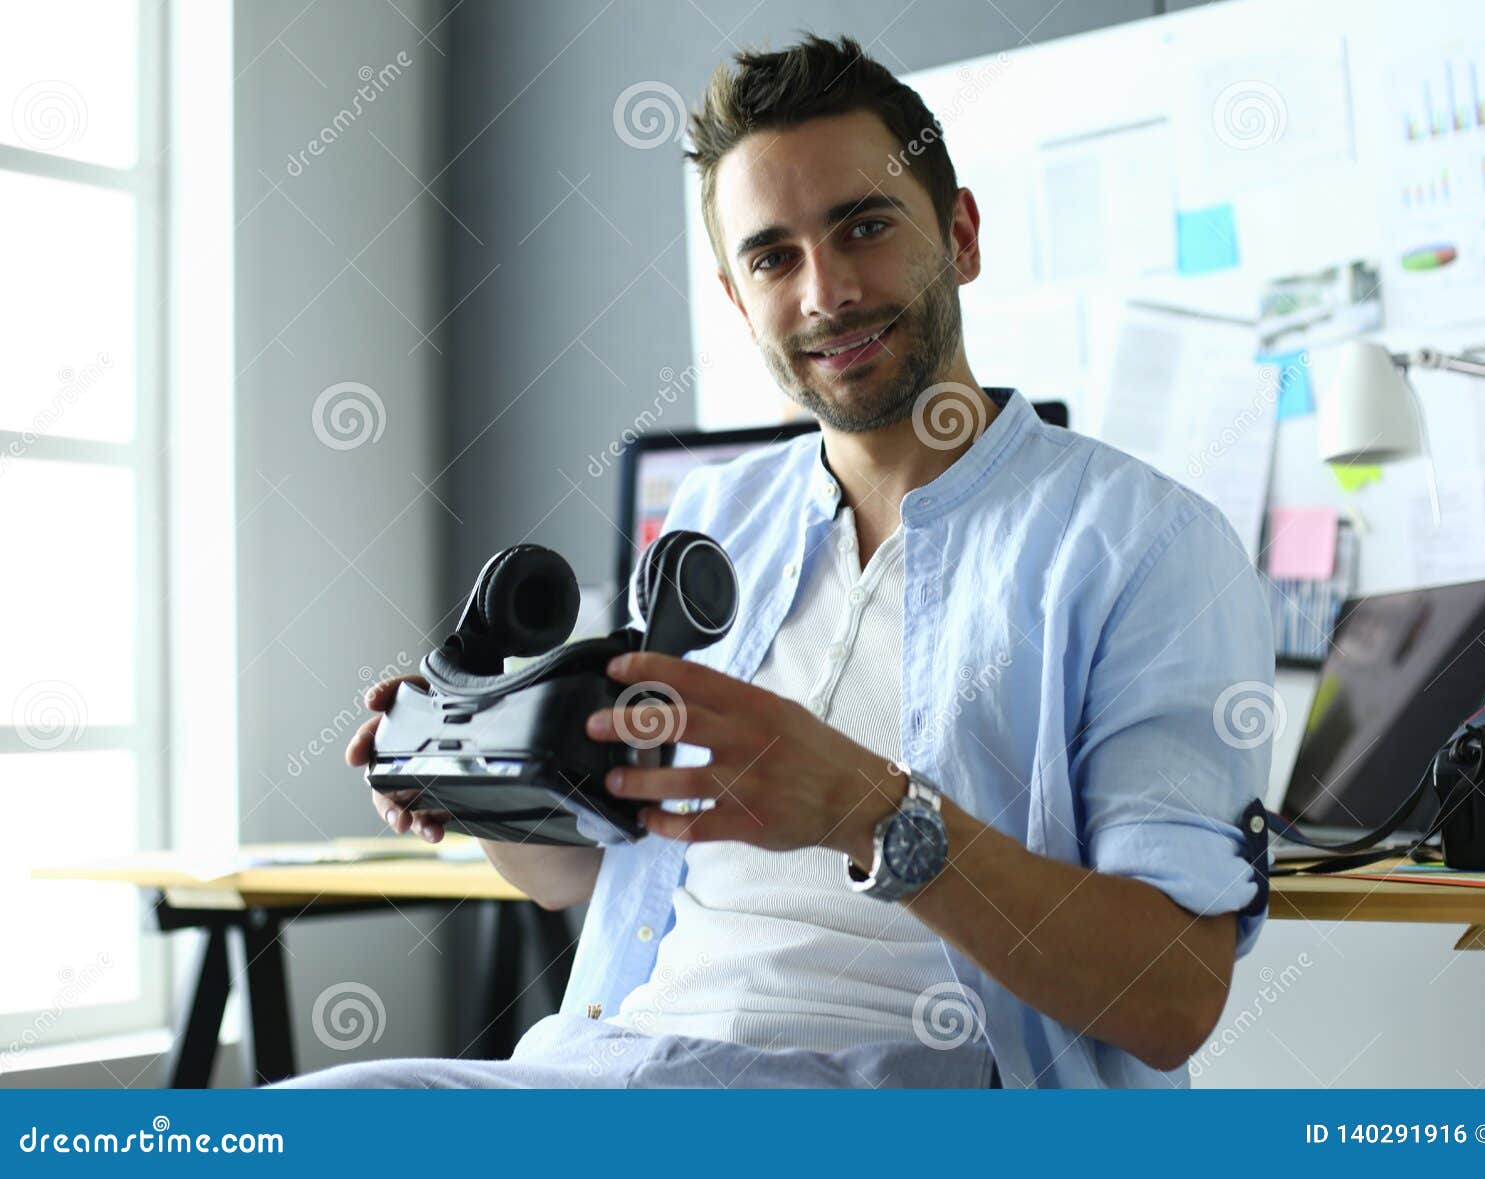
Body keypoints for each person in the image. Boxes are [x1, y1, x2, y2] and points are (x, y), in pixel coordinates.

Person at [269, 31, 1273, 1091]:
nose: (825, 293)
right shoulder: (716, 516)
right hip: (613, 1063)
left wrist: (867, 808)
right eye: (773, 256)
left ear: (962, 235)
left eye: (865, 227)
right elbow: (580, 874)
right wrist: (476, 783)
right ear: (737, 294)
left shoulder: (1144, 545)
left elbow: (1170, 1000)